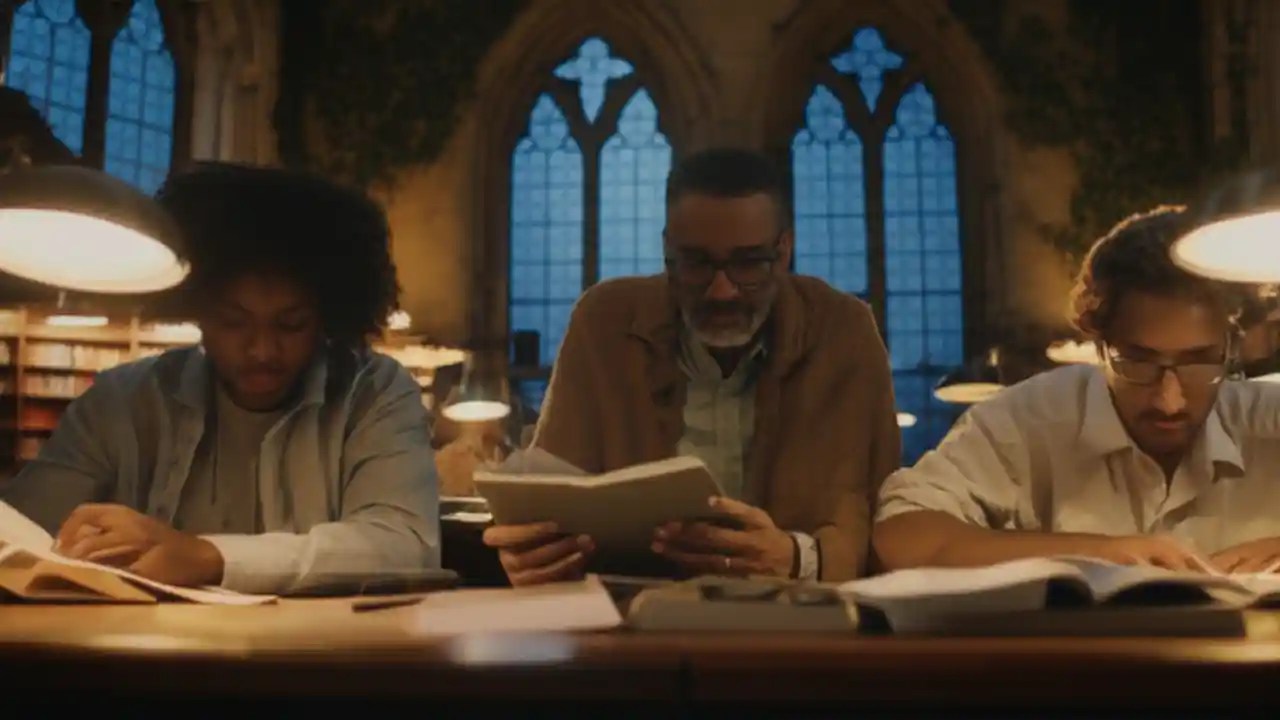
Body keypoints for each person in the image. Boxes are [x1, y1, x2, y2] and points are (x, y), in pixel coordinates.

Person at [1, 163, 439, 594]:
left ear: (326, 317)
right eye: (233, 321)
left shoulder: (375, 392)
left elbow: (403, 545)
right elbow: (19, 536)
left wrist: (206, 557)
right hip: (141, 660)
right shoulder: (121, 401)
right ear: (196, 311)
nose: (262, 350)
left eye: (291, 324)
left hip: (320, 661)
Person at [484, 147, 901, 585]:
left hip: (797, 628)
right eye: (696, 263)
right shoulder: (603, 323)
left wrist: (800, 561)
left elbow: (882, 523)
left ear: (784, 251)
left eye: (748, 263)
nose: (722, 291)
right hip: (630, 630)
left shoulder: (842, 333)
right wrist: (532, 551)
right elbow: (551, 500)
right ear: (667, 249)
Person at [873, 205, 1280, 574]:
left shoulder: (1268, 421)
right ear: (1099, 345)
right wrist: (1099, 553)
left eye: (1198, 362)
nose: (1169, 400)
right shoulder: (1030, 418)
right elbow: (902, 534)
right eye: (1136, 362)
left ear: (1230, 345)